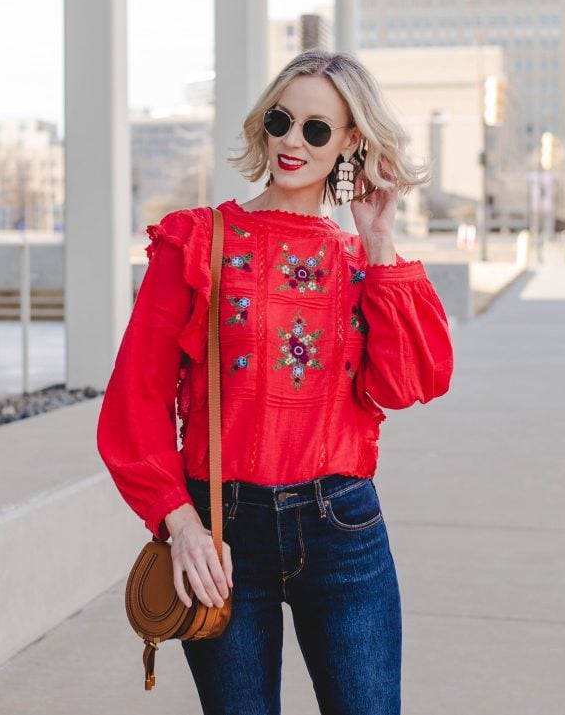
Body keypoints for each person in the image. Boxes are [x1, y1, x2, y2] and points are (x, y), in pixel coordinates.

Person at [97, 49, 454, 715]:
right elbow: (135, 398)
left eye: (317, 129)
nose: (293, 140)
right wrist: (180, 521)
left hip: (342, 526)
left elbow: (409, 382)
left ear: (351, 142)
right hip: (222, 531)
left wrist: (379, 243)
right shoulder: (197, 241)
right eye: (282, 120)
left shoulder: (362, 260)